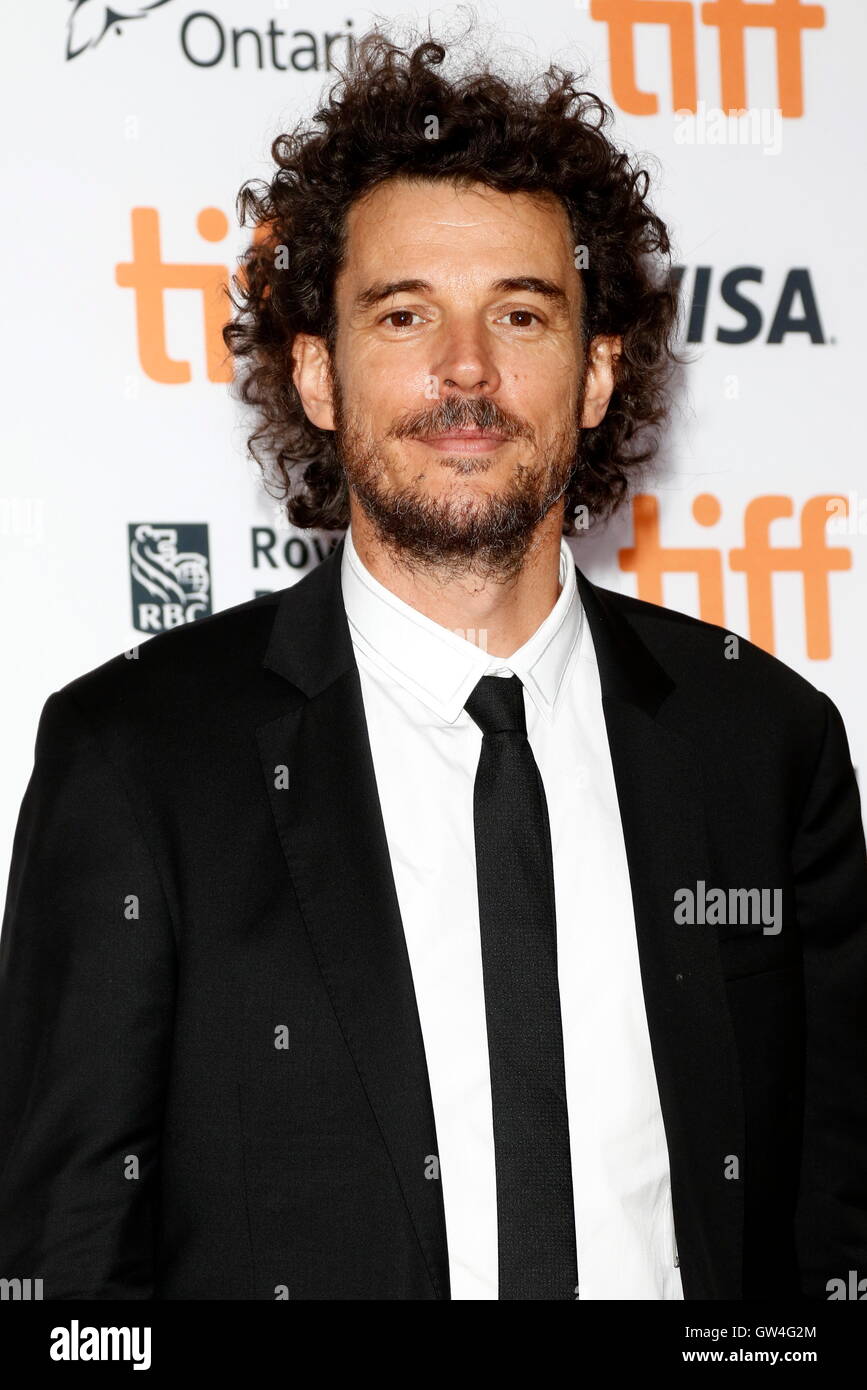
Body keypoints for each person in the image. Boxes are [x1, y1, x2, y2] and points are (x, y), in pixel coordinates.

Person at [1, 28, 865, 1302]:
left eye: (521, 313)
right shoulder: (135, 760)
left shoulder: (763, 744)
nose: (466, 369)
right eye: (404, 314)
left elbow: (831, 1229)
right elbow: (67, 1288)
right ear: (317, 372)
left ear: (597, 373)